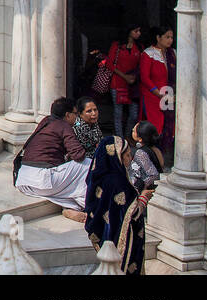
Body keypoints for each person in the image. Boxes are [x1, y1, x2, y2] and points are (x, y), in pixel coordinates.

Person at [83, 134, 150, 275]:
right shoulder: (118, 182)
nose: (130, 159)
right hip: (120, 241)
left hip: (105, 236)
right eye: (126, 155)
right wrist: (143, 199)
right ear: (116, 156)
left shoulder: (100, 177)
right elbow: (132, 214)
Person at [14, 97, 91, 219]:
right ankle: (87, 207)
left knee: (72, 173)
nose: (76, 117)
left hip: (25, 181)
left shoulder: (45, 121)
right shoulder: (64, 126)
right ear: (67, 115)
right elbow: (79, 155)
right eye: (75, 114)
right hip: (43, 180)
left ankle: (71, 208)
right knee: (88, 164)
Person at [139, 26, 174, 159]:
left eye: (171, 37)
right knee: (155, 127)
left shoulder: (172, 54)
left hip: (169, 95)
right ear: (158, 38)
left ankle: (166, 156)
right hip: (152, 97)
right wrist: (157, 92)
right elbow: (145, 78)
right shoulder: (148, 54)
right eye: (167, 37)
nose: (170, 40)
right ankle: (152, 157)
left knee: (169, 126)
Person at [105, 26, 142, 138]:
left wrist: (134, 77)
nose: (139, 34)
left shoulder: (139, 47)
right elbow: (109, 64)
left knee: (134, 114)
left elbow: (141, 65)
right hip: (118, 83)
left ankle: (128, 136)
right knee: (118, 113)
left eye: (139, 31)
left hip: (133, 85)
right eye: (136, 31)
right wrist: (124, 76)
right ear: (129, 31)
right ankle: (119, 138)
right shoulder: (117, 46)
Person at [128, 120, 165, 192]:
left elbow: (154, 175)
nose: (132, 130)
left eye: (134, 131)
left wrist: (141, 186)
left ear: (140, 138)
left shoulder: (141, 153)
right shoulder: (156, 149)